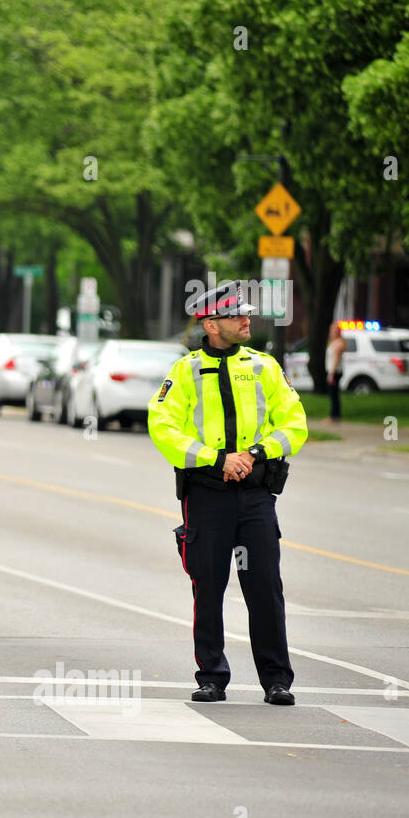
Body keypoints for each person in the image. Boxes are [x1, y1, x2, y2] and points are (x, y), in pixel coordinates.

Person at [148, 280, 308, 706]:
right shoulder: (185, 372)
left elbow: (294, 424)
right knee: (208, 586)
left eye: (246, 313)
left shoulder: (264, 366)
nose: (246, 320)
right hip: (207, 496)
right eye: (237, 315)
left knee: (264, 589)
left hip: (256, 496)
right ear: (211, 324)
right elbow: (163, 428)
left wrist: (256, 453)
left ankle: (276, 680)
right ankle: (212, 677)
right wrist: (217, 459)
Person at [325, 321, 346, 421]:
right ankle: (334, 415)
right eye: (332, 329)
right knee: (333, 394)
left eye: (335, 330)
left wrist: (331, 374)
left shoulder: (339, 343)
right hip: (332, 371)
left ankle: (334, 416)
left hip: (335, 372)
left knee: (334, 394)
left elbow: (336, 358)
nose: (333, 332)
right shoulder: (333, 342)